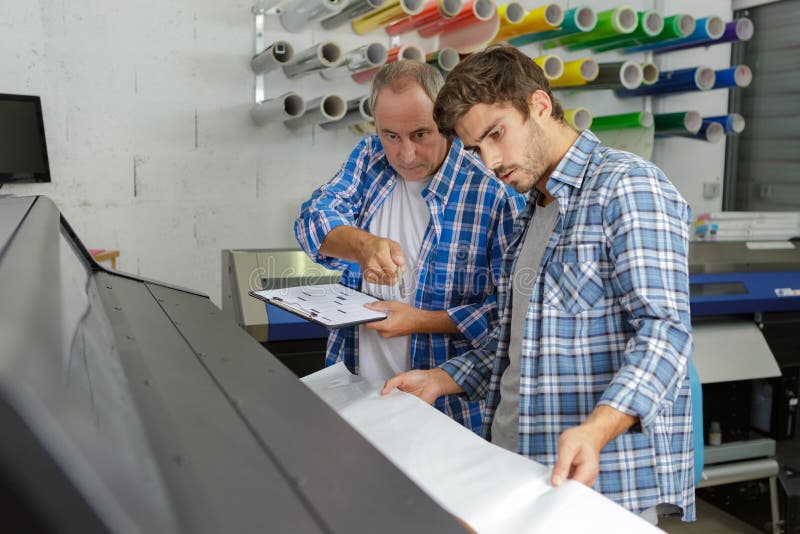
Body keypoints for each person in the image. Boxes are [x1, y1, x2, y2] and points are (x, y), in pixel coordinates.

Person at [382, 46, 695, 523]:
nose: (490, 160)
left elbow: (666, 333)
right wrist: (441, 379)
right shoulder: (531, 211)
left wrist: (595, 430)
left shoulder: (627, 186)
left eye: (496, 134)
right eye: (475, 148)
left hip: (594, 482)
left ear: (540, 106)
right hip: (515, 467)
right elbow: (516, 341)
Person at [294, 60, 525, 433]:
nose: (405, 155)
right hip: (355, 396)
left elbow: (509, 318)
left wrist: (419, 321)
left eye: (420, 134)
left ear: (446, 122)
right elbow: (313, 218)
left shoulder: (493, 194)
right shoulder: (369, 157)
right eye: (391, 136)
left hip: (446, 414)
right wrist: (362, 246)